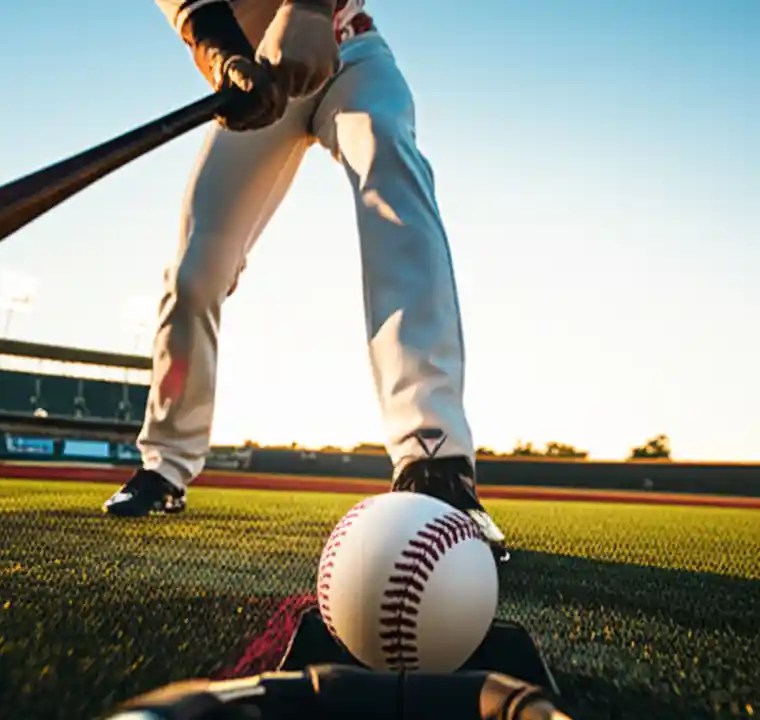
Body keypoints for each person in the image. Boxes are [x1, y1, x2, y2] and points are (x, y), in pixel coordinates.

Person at [103, 0, 509, 562]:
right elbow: (199, 19)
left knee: (386, 152)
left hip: (352, 50)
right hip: (263, 72)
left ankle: (433, 455)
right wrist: (228, 65)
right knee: (197, 271)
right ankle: (164, 466)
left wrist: (311, 8)